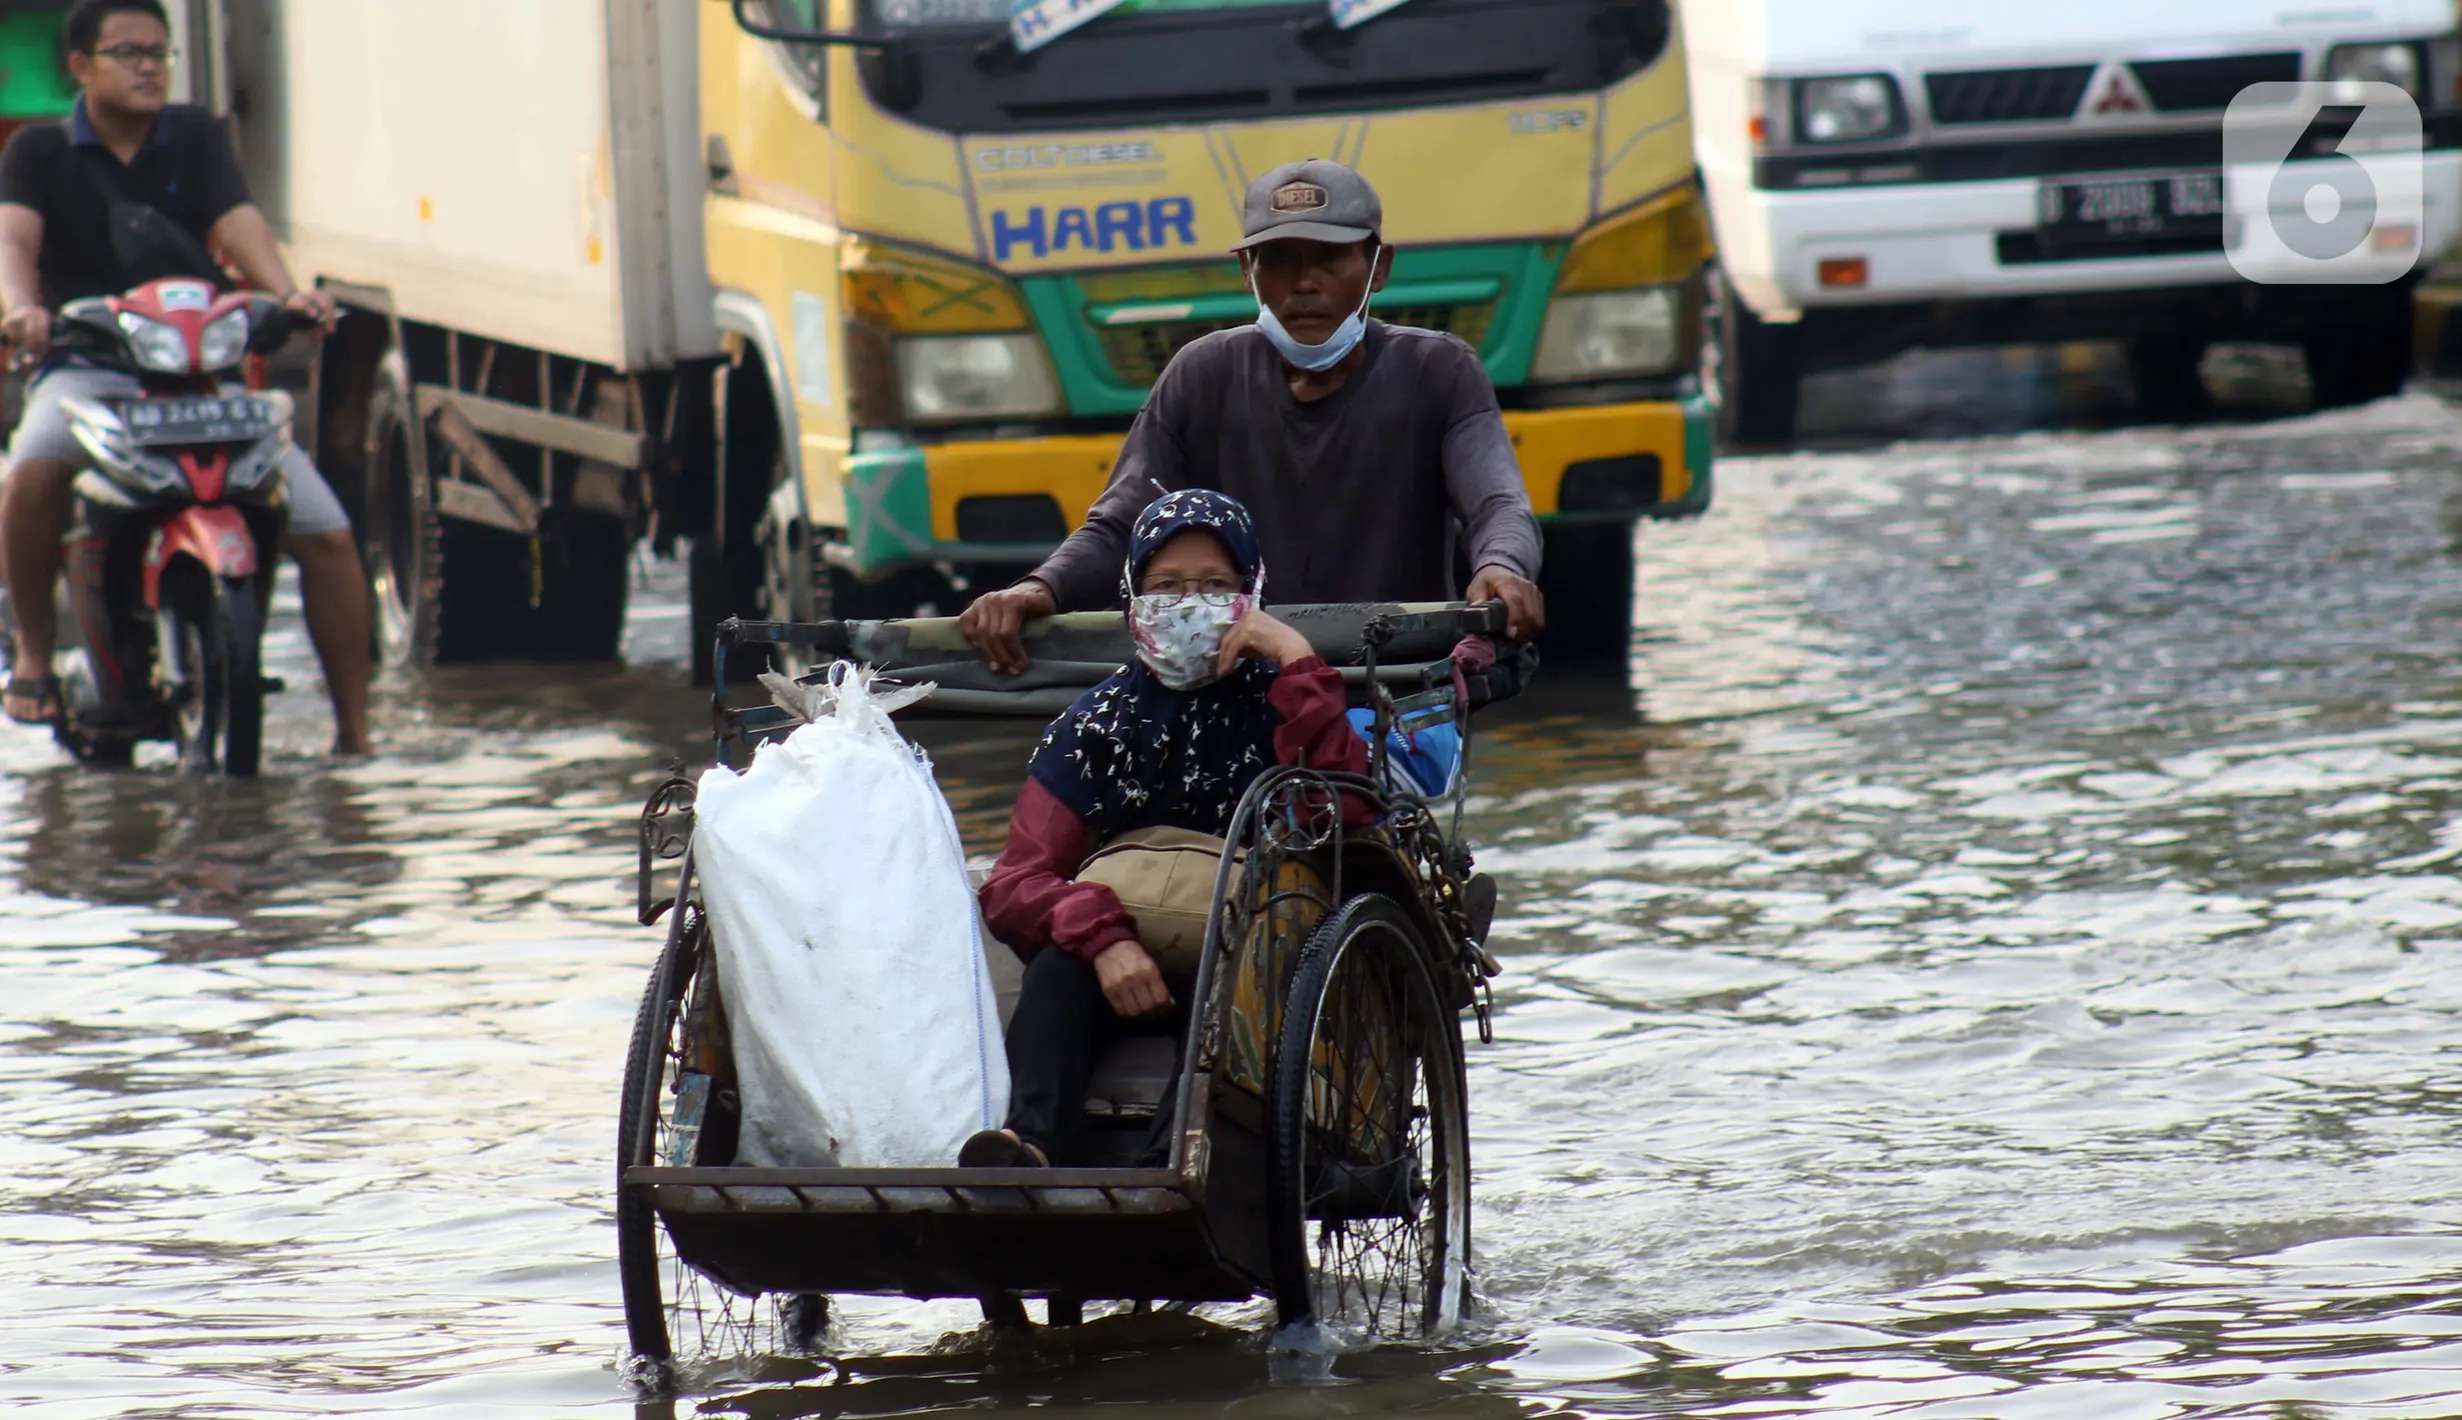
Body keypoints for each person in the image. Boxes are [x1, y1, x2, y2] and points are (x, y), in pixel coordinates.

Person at [961, 158, 1545, 676]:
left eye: (1330, 260)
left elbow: (1497, 503)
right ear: (1248, 272)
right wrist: (1039, 588)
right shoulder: (1202, 373)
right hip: (1239, 683)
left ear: (1378, 268)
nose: (1305, 284)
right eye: (1280, 262)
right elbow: (1120, 522)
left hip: (1392, 680)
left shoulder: (1438, 370)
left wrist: (1501, 566)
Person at [0, 0, 371, 753]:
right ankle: (35, 658)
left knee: (327, 532)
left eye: (160, 54)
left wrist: (285, 292)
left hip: (202, 377)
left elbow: (240, 222)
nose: (148, 67)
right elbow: (12, 239)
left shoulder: (197, 135)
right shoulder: (38, 151)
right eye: (128, 52)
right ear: (79, 65)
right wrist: (21, 308)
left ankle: (357, 735)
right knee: (31, 471)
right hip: (88, 371)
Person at [963, 489, 1368, 1168]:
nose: (1190, 603)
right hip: (1122, 957)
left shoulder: (1290, 700)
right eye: (1168, 586)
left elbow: (1345, 817)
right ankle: (1027, 1144)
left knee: (1236, 970)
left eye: (1216, 586)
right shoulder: (1098, 725)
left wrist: (1297, 658)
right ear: (1133, 598)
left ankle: (1174, 1164)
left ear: (1252, 594)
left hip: (1248, 954)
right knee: (1059, 971)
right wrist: (1102, 939)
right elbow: (1015, 883)